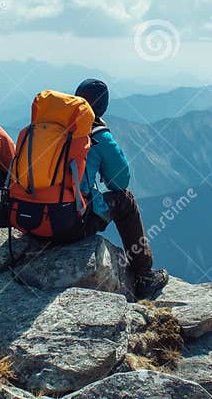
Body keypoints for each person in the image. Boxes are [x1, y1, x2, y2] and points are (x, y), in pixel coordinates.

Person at [75, 78, 169, 300]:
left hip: (34, 219)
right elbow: (120, 182)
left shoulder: (52, 126)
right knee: (126, 201)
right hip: (70, 221)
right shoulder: (98, 135)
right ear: (102, 107)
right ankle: (144, 275)